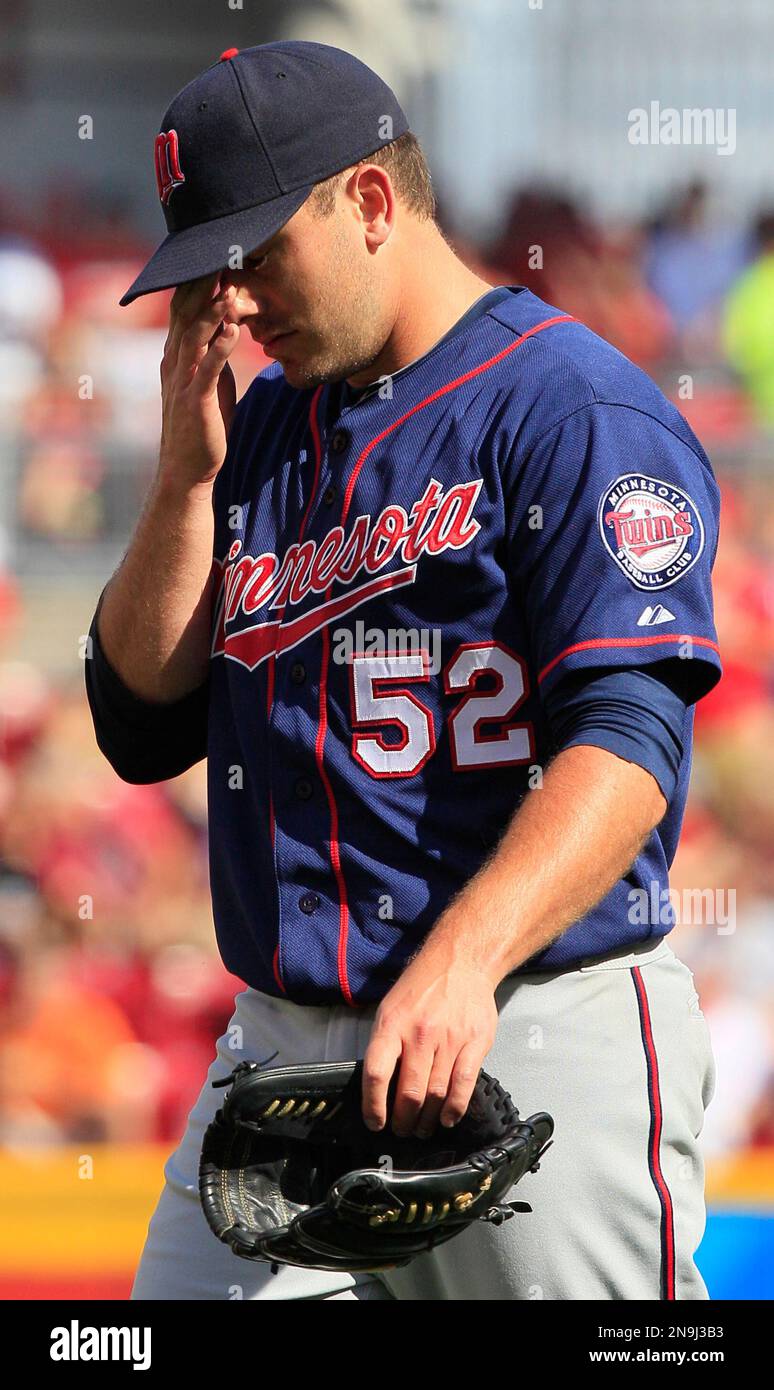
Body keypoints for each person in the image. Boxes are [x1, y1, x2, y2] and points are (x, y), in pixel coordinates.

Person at [86, 42, 721, 1300]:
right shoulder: (258, 428)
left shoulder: (574, 410)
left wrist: (465, 959)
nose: (235, 305)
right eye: (211, 273)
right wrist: (185, 481)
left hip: (530, 1020)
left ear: (369, 202)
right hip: (283, 1060)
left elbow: (632, 734)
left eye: (256, 255)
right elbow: (139, 721)